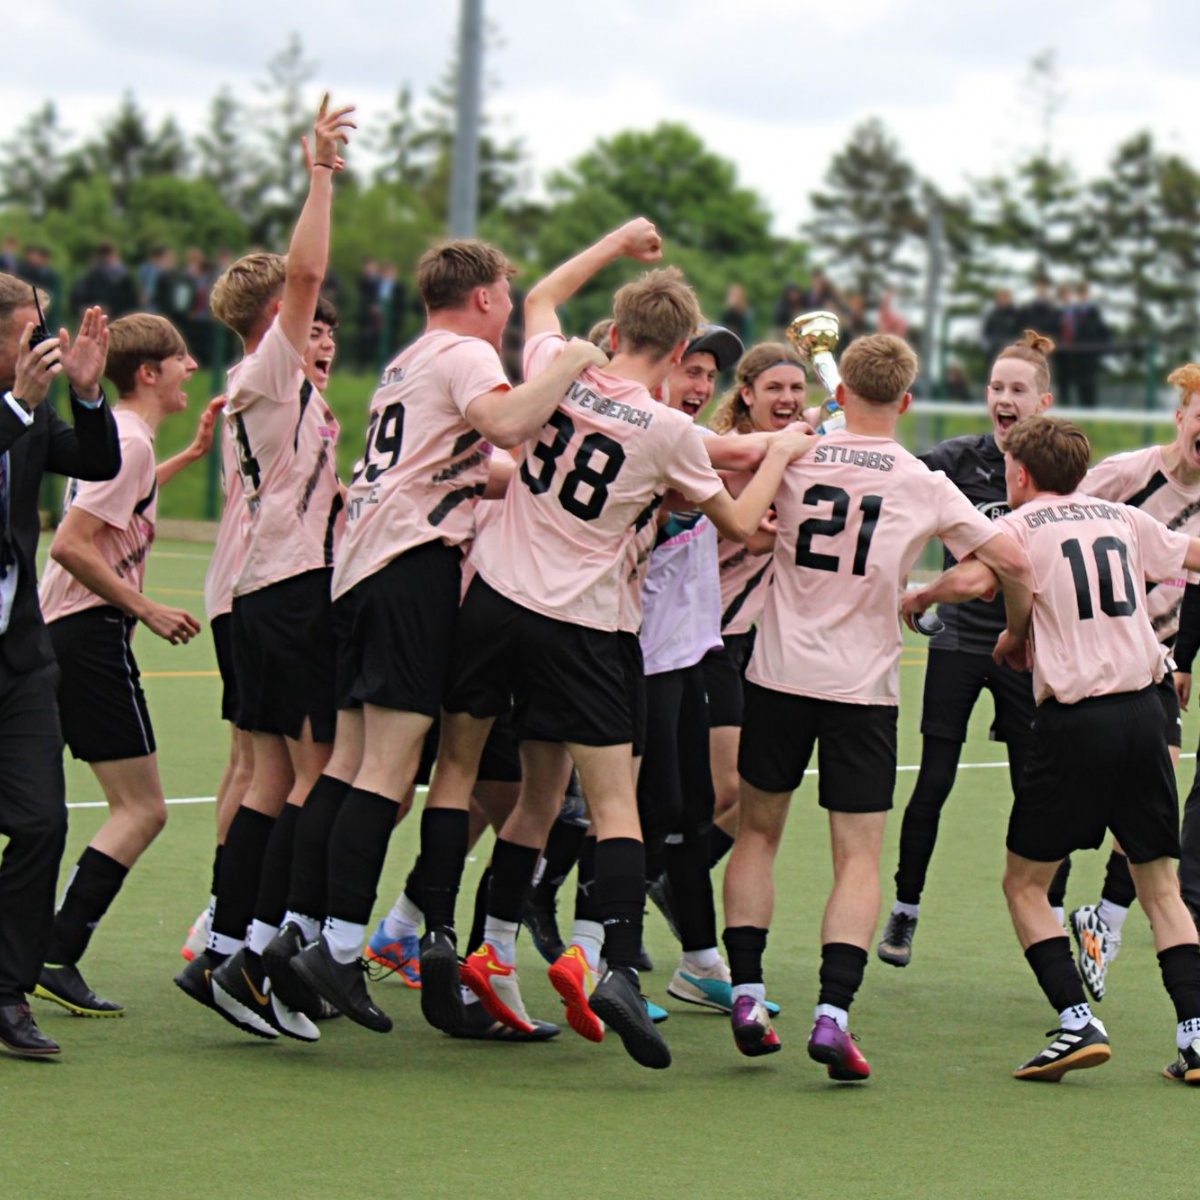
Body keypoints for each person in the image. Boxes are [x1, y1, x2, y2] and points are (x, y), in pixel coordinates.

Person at [418, 220, 815, 1070]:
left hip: (494, 600)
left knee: (483, 777)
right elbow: (743, 522)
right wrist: (781, 451)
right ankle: (614, 962)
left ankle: (461, 938)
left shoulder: (560, 365)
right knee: (615, 804)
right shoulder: (668, 430)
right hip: (584, 624)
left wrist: (616, 243)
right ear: (678, 358)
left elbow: (543, 298)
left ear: (618, 331)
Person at [286, 236, 608, 1038]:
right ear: (488, 298)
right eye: (505, 291)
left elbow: (464, 465)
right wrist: (568, 364)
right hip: (410, 567)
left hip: (362, 565)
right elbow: (503, 421)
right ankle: (338, 945)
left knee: (354, 764)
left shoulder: (408, 363)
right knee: (388, 771)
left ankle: (302, 929)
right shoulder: (466, 354)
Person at [720, 333, 1032, 1080]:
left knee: (757, 836)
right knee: (857, 857)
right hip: (860, 691)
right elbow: (1010, 558)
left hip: (778, 673)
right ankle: (832, 1014)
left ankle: (746, 994)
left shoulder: (799, 450)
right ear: (907, 401)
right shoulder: (921, 479)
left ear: (841, 390)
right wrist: (1017, 629)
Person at [903, 415, 1200, 1084]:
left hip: (1078, 720)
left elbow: (977, 581)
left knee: (1026, 884)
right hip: (1149, 710)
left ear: (1020, 474)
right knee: (1161, 885)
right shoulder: (1120, 516)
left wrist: (920, 592)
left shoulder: (1015, 526)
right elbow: (1189, 556)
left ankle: (1075, 1022)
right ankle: (1196, 1035)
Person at [173, 96, 354, 1044]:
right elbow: (310, 266)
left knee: (265, 768)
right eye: (307, 313)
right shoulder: (273, 369)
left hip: (251, 590)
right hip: (284, 589)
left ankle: (228, 943)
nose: (318, 323)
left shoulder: (273, 391)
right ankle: (260, 954)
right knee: (312, 772)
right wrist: (321, 172)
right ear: (276, 316)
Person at [34, 315, 216, 1017]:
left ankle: (43, 946)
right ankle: (57, 949)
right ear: (149, 372)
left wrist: (188, 459)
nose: (192, 367)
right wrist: (145, 607)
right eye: (180, 359)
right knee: (142, 810)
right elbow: (73, 544)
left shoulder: (123, 439)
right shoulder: (129, 441)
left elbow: (117, 506)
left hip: (60, 635)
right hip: (87, 637)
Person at [877, 331, 1052, 967]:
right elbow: (893, 477)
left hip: (1026, 647)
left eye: (1018, 390)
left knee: (1039, 785)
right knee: (934, 782)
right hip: (957, 643)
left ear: (1043, 401)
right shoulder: (957, 458)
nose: (1005, 399)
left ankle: (1051, 913)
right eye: (997, 388)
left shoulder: (1056, 471)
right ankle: (905, 908)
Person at [0, 274, 119, 1056]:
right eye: (27, 330)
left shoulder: (33, 411)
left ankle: (7, 994)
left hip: (17, 660)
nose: (41, 343)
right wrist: (16, 405)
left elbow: (100, 461)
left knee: (42, 821)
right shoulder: (14, 409)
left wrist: (85, 393)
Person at [1057, 360, 1200, 1001]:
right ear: (1182, 417)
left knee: (1156, 800)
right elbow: (1053, 525)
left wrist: (1184, 660)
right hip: (1087, 661)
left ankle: (1105, 923)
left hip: (1152, 666)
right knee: (1079, 806)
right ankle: (1056, 892)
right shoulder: (1126, 476)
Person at [701, 343, 810, 861]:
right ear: (746, 394)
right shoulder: (729, 455)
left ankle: (679, 872)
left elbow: (824, 417)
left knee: (764, 787)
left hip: (749, 640)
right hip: (706, 639)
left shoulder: (790, 449)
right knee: (730, 790)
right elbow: (752, 536)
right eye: (774, 388)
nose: (787, 398)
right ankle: (678, 869)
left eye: (795, 387)